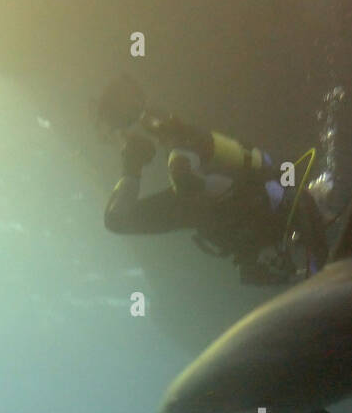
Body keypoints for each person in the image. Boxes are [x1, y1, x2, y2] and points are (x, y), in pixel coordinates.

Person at [96, 74, 330, 285]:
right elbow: (302, 212)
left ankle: (136, 147)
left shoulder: (282, 214)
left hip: (199, 201)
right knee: (123, 215)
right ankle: (138, 136)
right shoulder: (284, 209)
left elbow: (292, 215)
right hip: (206, 195)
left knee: (119, 218)